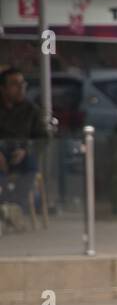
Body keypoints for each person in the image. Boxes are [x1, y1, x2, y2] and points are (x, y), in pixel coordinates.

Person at [0, 67, 49, 228]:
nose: (21, 88)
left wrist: (26, 149)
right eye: (15, 84)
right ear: (3, 88)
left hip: (21, 155)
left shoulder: (31, 110)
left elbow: (43, 137)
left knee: (31, 164)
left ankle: (16, 207)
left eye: (23, 84)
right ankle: (5, 207)